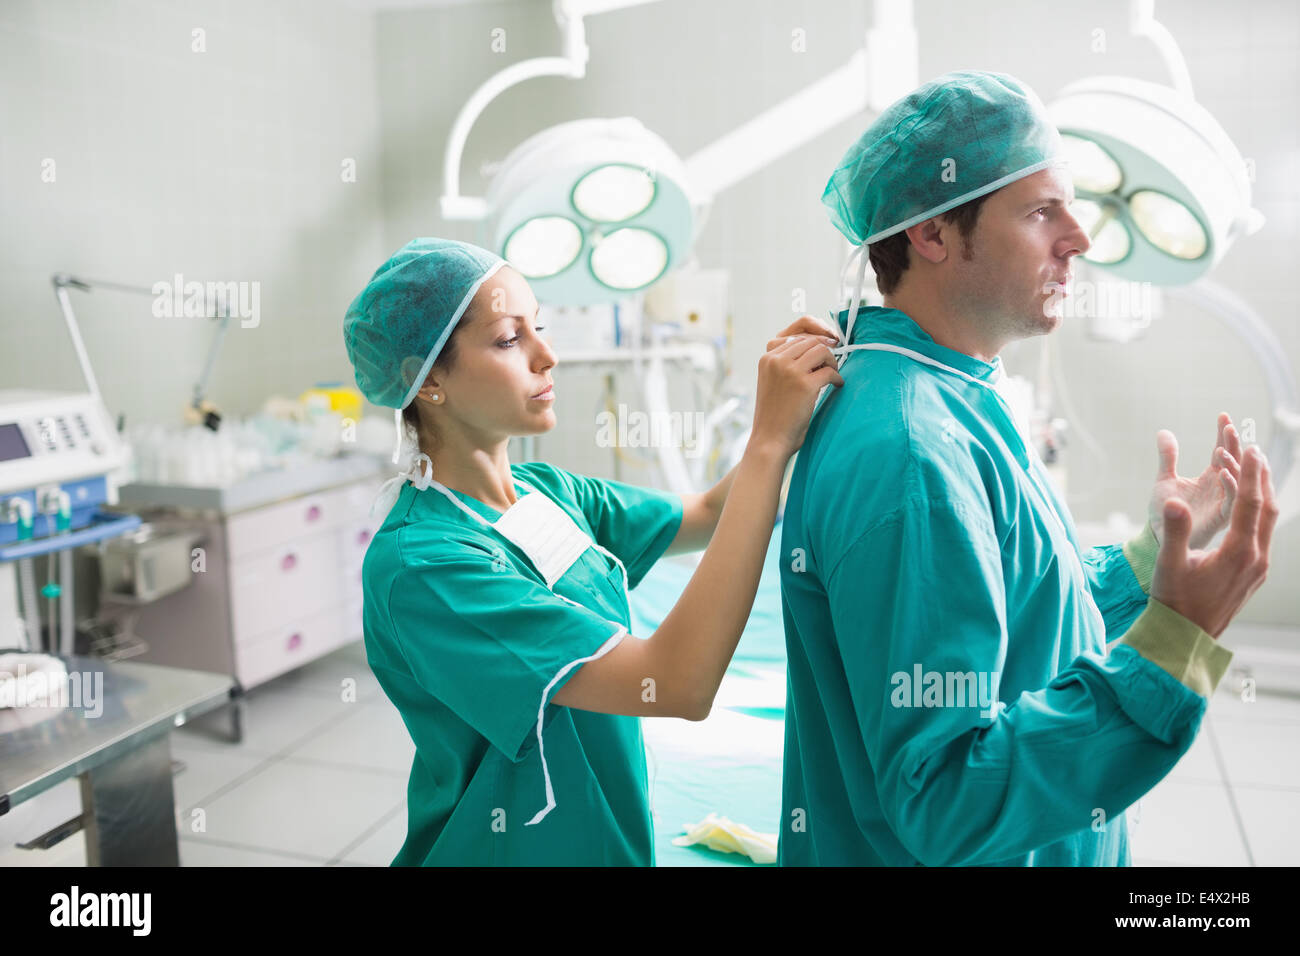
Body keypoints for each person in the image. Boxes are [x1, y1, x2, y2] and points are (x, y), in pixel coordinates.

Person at [778, 70, 1277, 866]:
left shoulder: (953, 391)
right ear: (933, 234)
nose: (1080, 237)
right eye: (1043, 211)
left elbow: (1025, 616)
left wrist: (1152, 562)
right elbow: (945, 801)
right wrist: (1175, 643)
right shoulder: (911, 453)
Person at [343, 238, 842, 865]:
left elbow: (710, 513)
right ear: (430, 378)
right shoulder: (425, 566)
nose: (547, 356)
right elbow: (675, 683)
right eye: (507, 340)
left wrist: (799, 408)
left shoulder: (546, 491)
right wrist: (769, 441)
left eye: (540, 329)